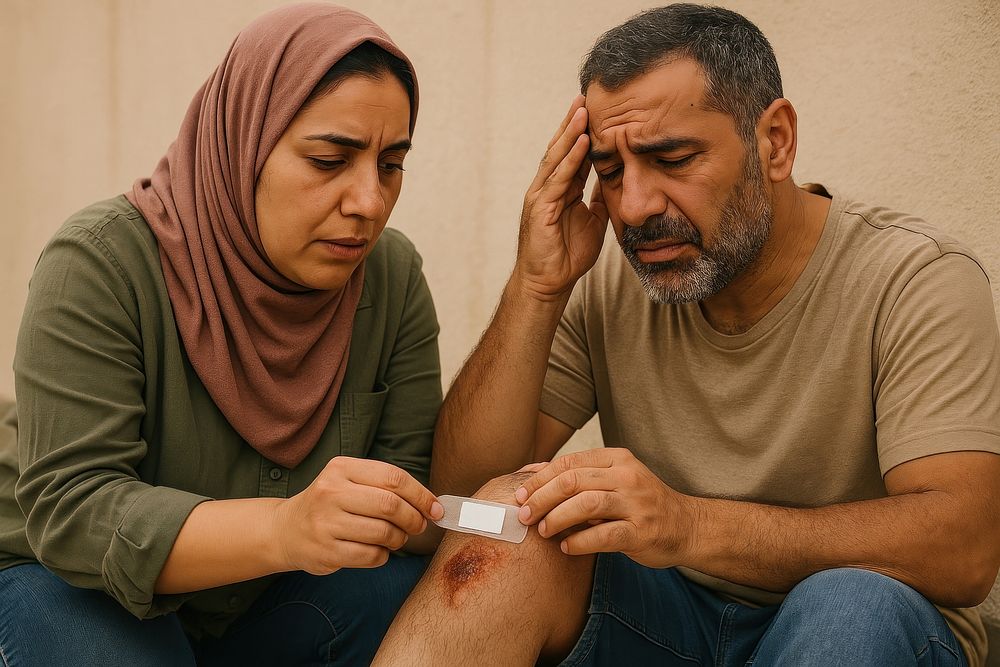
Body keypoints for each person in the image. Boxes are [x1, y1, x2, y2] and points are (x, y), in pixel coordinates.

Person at [373, 4, 1000, 666]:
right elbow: (466, 498)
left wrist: (687, 524)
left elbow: (964, 550)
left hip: (854, 628)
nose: (635, 205)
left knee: (850, 605)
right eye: (610, 170)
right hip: (664, 617)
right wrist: (536, 287)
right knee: (508, 525)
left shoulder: (914, 277)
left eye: (670, 157)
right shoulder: (608, 277)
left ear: (776, 141)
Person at [0, 4, 446, 665]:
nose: (369, 201)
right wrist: (286, 528)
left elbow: (407, 487)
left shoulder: (390, 275)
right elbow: (72, 508)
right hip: (64, 576)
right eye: (331, 159)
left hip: (256, 597)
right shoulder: (100, 261)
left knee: (407, 593)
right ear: (245, 142)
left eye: (391, 164)